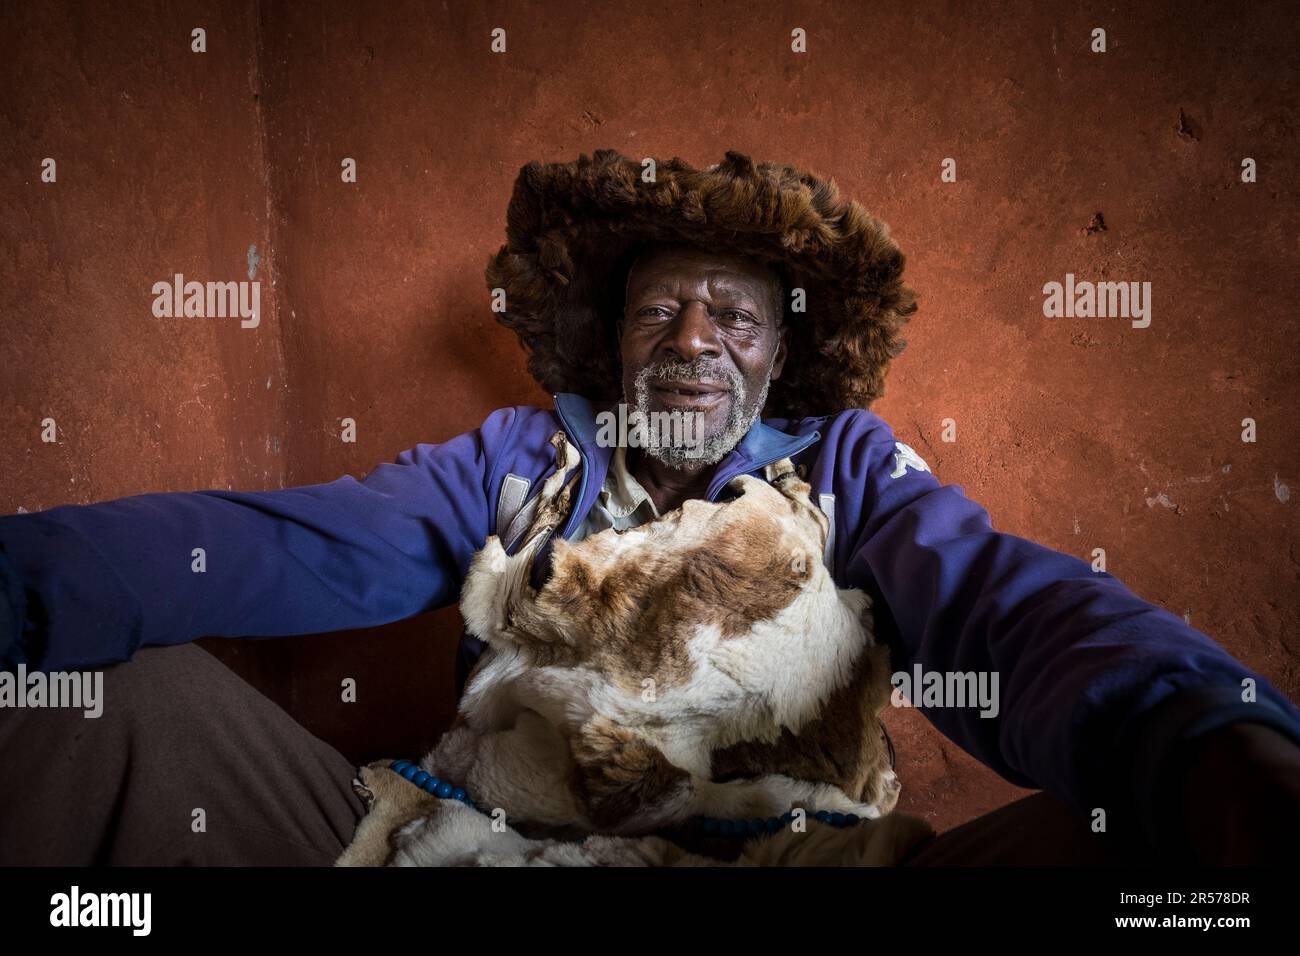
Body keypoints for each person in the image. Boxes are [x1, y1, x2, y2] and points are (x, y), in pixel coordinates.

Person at [2, 149, 1298, 866]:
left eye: (731, 314)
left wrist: (1194, 732)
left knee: (1165, 840)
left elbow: (1004, 603)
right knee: (104, 704)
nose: (692, 339)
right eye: (656, 310)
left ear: (780, 357)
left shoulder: (845, 470)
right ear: (612, 345)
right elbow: (284, 546)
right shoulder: (511, 464)